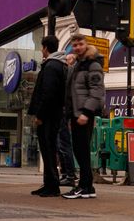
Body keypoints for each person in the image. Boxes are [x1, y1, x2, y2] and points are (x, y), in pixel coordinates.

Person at [63, 34, 105, 199]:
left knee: (82, 151)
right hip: (76, 113)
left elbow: (97, 90)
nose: (77, 47)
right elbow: (71, 89)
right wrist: (70, 65)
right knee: (79, 151)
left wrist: (86, 113)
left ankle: (85, 186)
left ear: (86, 45)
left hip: (83, 114)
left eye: (80, 44)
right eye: (75, 45)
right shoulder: (79, 64)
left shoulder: (92, 64)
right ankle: (87, 187)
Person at [29, 36, 70, 197]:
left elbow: (48, 93)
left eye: (42, 47)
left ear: (46, 48)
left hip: (49, 116)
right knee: (48, 150)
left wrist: (40, 115)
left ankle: (52, 185)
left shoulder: (51, 66)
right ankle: (48, 183)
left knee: (48, 149)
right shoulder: (56, 65)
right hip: (54, 114)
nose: (41, 50)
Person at [58, 52, 78, 187]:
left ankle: (70, 175)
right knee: (61, 145)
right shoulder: (70, 71)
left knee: (64, 144)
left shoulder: (70, 71)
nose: (66, 61)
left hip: (65, 110)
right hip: (65, 110)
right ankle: (66, 174)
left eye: (68, 59)